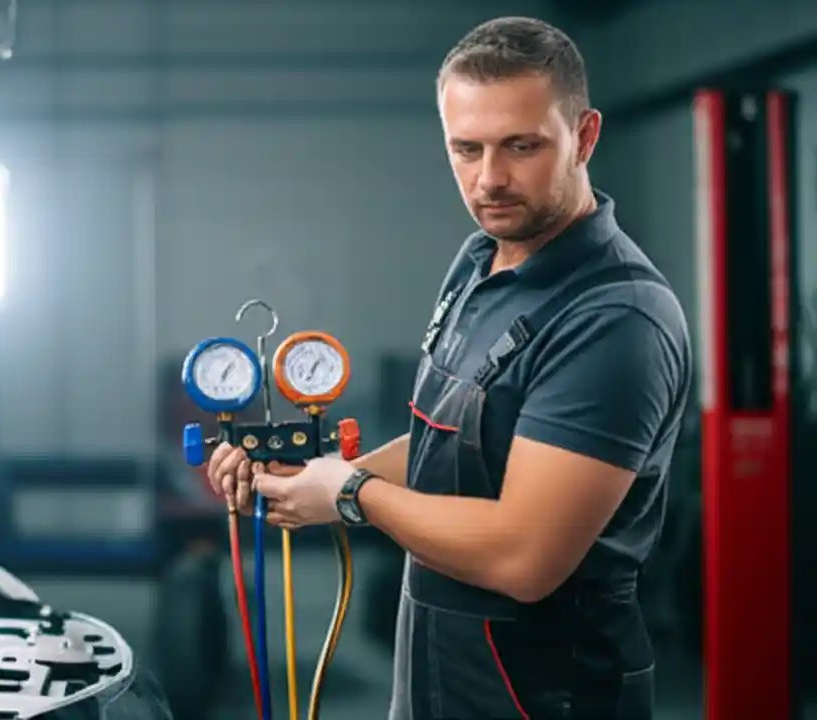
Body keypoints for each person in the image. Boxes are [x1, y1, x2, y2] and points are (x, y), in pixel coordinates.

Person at [206, 16, 691, 720]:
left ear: (584, 137)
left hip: (550, 696)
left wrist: (350, 495)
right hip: (442, 682)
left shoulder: (614, 319)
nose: (489, 179)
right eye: (466, 148)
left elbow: (525, 558)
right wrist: (308, 483)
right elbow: (454, 446)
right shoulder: (479, 263)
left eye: (521, 146)